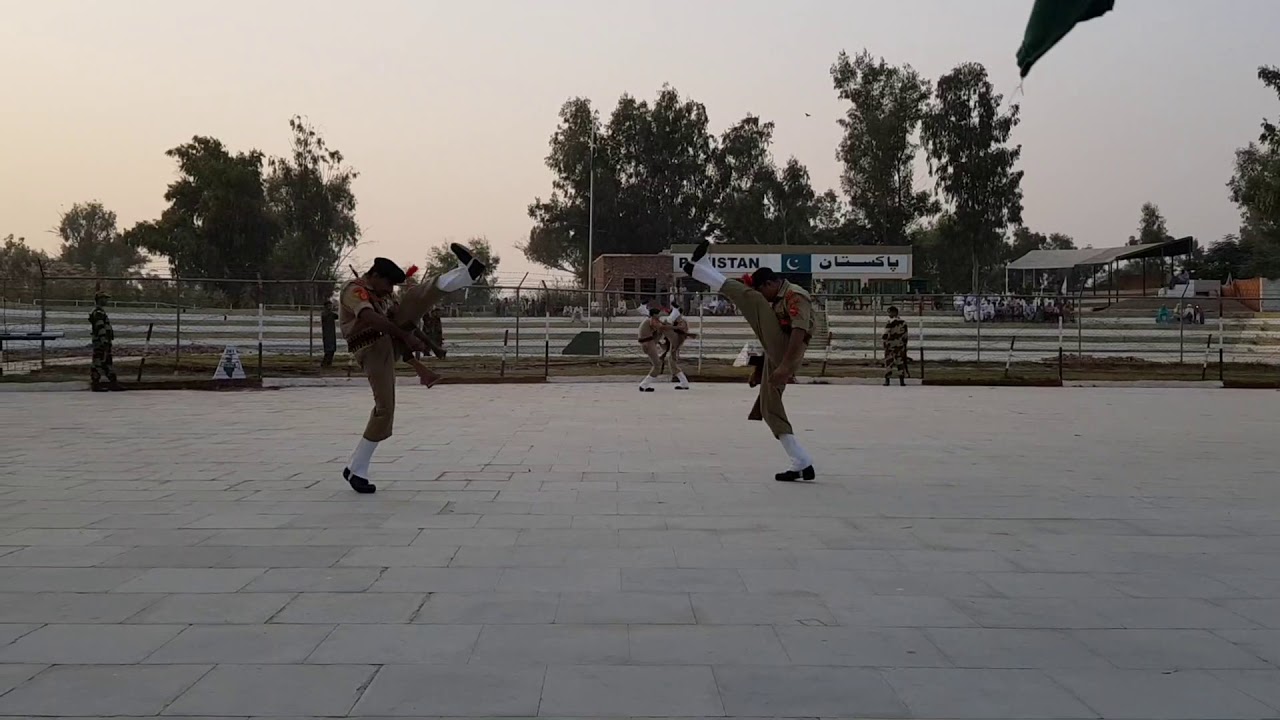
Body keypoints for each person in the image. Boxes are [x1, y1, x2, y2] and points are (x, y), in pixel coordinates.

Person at [340, 245, 484, 494]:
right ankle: (356, 468)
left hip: (388, 340)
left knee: (415, 297)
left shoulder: (383, 295)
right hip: (371, 350)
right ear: (375, 276)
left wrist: (432, 345)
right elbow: (372, 319)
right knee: (385, 409)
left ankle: (464, 274)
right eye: (389, 284)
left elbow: (406, 322)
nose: (390, 290)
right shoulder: (355, 291)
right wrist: (407, 340)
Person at [681, 241, 817, 482]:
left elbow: (798, 331)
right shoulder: (777, 298)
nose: (764, 296)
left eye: (763, 290)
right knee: (769, 407)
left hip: (790, 351)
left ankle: (700, 270)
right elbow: (771, 338)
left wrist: (785, 366)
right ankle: (801, 461)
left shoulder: (795, 294)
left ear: (771, 283)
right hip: (780, 351)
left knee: (751, 299)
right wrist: (763, 367)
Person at [88, 289, 124, 392]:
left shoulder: (100, 312)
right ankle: (96, 383)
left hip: (103, 341)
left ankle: (112, 382)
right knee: (98, 362)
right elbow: (100, 327)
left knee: (107, 361)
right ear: (99, 300)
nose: (106, 301)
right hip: (101, 341)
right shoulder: (98, 313)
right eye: (104, 298)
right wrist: (104, 340)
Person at [661, 304, 694, 390]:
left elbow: (682, 329)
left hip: (678, 337)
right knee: (671, 360)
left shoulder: (682, 320)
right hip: (676, 338)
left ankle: (683, 382)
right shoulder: (681, 320)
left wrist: (672, 326)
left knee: (672, 361)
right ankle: (683, 382)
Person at [636, 306, 665, 392]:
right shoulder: (651, 321)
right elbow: (660, 327)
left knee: (656, 364)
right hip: (648, 343)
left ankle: (645, 384)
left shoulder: (649, 320)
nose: (660, 315)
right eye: (658, 314)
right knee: (657, 365)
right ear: (655, 314)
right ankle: (644, 384)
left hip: (649, 343)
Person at [882, 305, 909, 386]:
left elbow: (885, 334)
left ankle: (887, 380)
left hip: (890, 345)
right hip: (900, 345)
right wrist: (904, 345)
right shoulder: (903, 322)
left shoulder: (890, 323)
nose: (888, 314)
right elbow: (905, 335)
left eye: (889, 312)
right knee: (900, 362)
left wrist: (884, 343)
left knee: (889, 362)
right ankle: (902, 380)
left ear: (894, 312)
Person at [320, 299, 338, 367]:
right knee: (328, 349)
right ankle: (325, 363)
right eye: (329, 306)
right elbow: (332, 315)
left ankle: (328, 363)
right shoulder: (325, 314)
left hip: (332, 333)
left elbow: (337, 316)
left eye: (331, 306)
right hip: (327, 334)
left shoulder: (331, 314)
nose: (330, 307)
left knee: (332, 349)